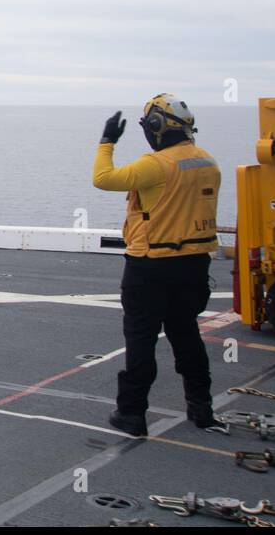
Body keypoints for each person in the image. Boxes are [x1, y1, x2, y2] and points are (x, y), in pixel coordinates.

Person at [92, 94, 227, 436]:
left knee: (141, 341)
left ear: (157, 127)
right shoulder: (208, 163)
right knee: (187, 337)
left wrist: (107, 141)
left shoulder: (156, 165)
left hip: (150, 266)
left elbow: (103, 178)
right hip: (194, 267)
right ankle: (202, 409)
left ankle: (132, 415)